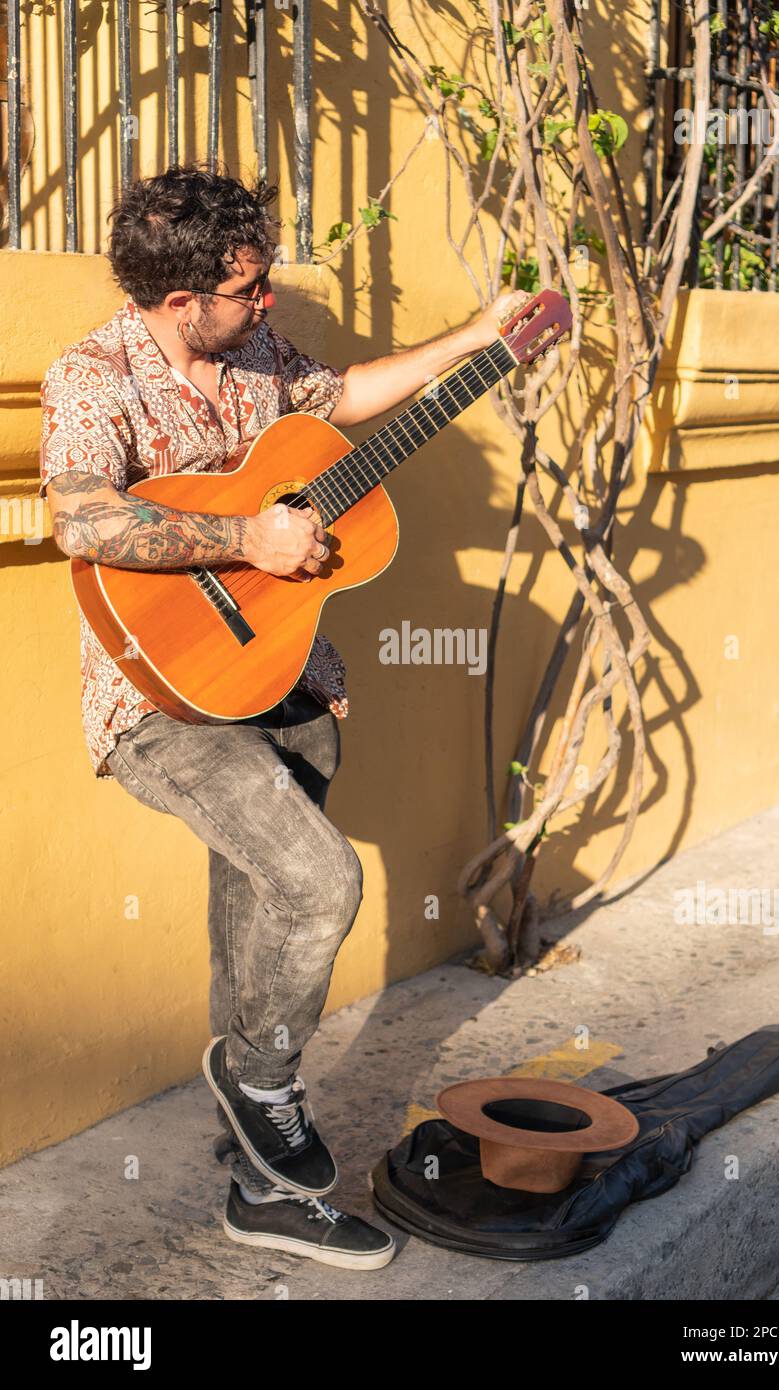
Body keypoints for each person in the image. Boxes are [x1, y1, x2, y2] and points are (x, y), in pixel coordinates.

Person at [40, 162, 530, 1272]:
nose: (270, 305)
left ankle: (256, 1186)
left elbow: (341, 400)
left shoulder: (255, 351)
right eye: (249, 290)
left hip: (279, 678)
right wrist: (242, 542)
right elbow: (84, 523)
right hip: (158, 699)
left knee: (255, 909)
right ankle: (263, 1084)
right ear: (180, 302)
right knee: (321, 883)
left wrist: (477, 340)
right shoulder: (91, 377)